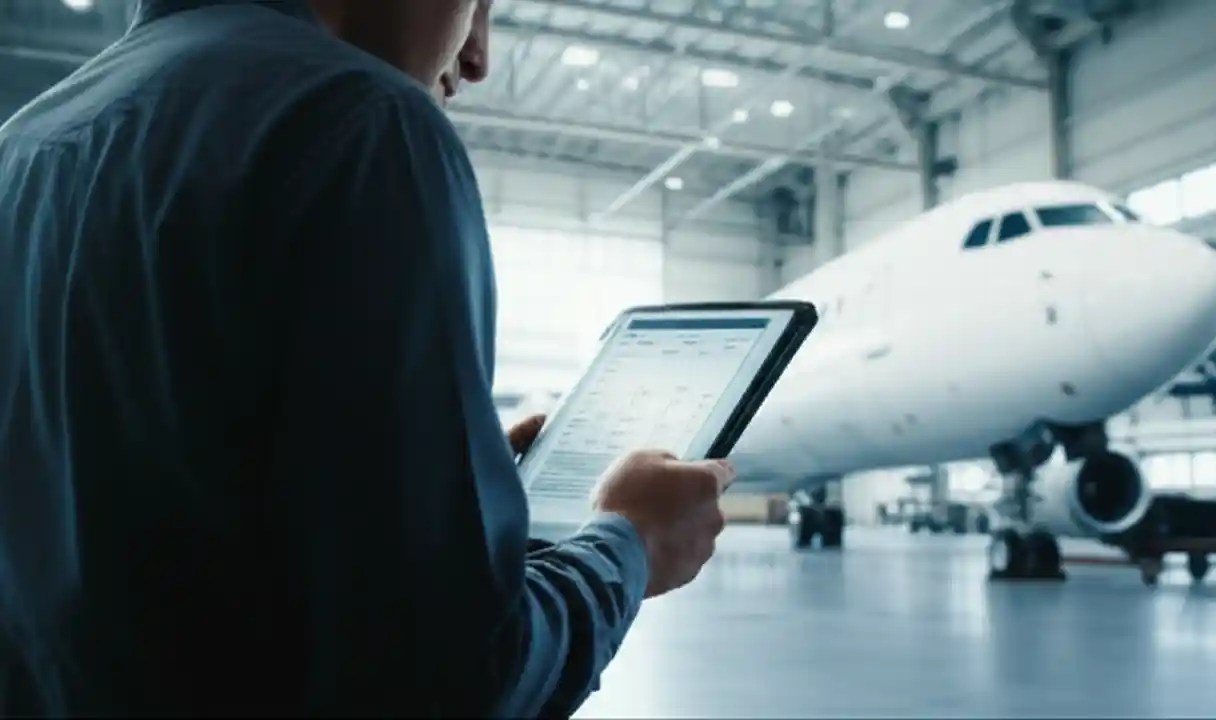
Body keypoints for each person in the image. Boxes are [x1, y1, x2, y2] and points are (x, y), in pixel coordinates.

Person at [0, 0, 733, 716]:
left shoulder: (23, 146)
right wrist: (631, 543)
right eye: (476, 4)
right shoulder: (359, 118)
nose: (478, 56)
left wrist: (434, 479)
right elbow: (454, 676)